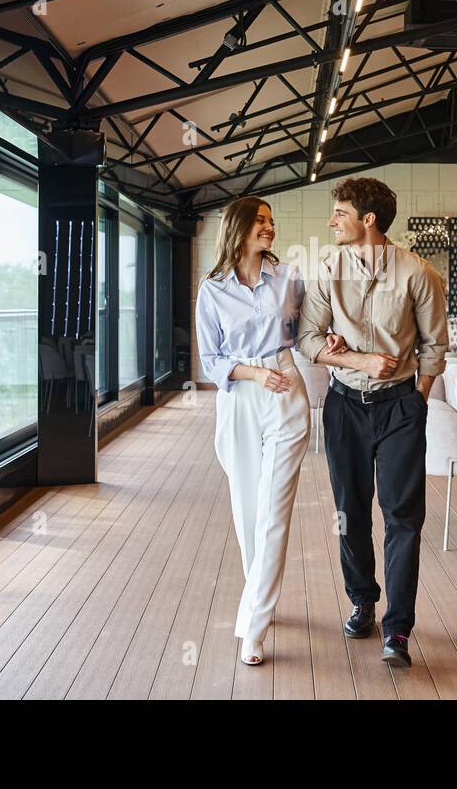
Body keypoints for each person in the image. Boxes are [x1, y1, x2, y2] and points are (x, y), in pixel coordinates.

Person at [297, 178, 448, 668]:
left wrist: (418, 399)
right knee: (351, 511)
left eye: (339, 213)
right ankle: (362, 600)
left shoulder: (419, 273)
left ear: (368, 220)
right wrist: (355, 360)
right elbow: (307, 339)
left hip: (401, 407)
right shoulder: (328, 269)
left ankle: (398, 628)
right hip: (344, 407)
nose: (331, 222)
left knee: (403, 517)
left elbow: (434, 346)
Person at [195, 197, 345, 666]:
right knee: (247, 511)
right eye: (260, 220)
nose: (270, 227)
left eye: (271, 221)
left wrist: (329, 337)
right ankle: (260, 597)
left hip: (285, 393)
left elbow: (308, 330)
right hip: (240, 397)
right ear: (238, 227)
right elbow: (211, 358)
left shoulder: (288, 278)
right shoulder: (212, 289)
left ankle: (253, 625)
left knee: (274, 513)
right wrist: (253, 374)